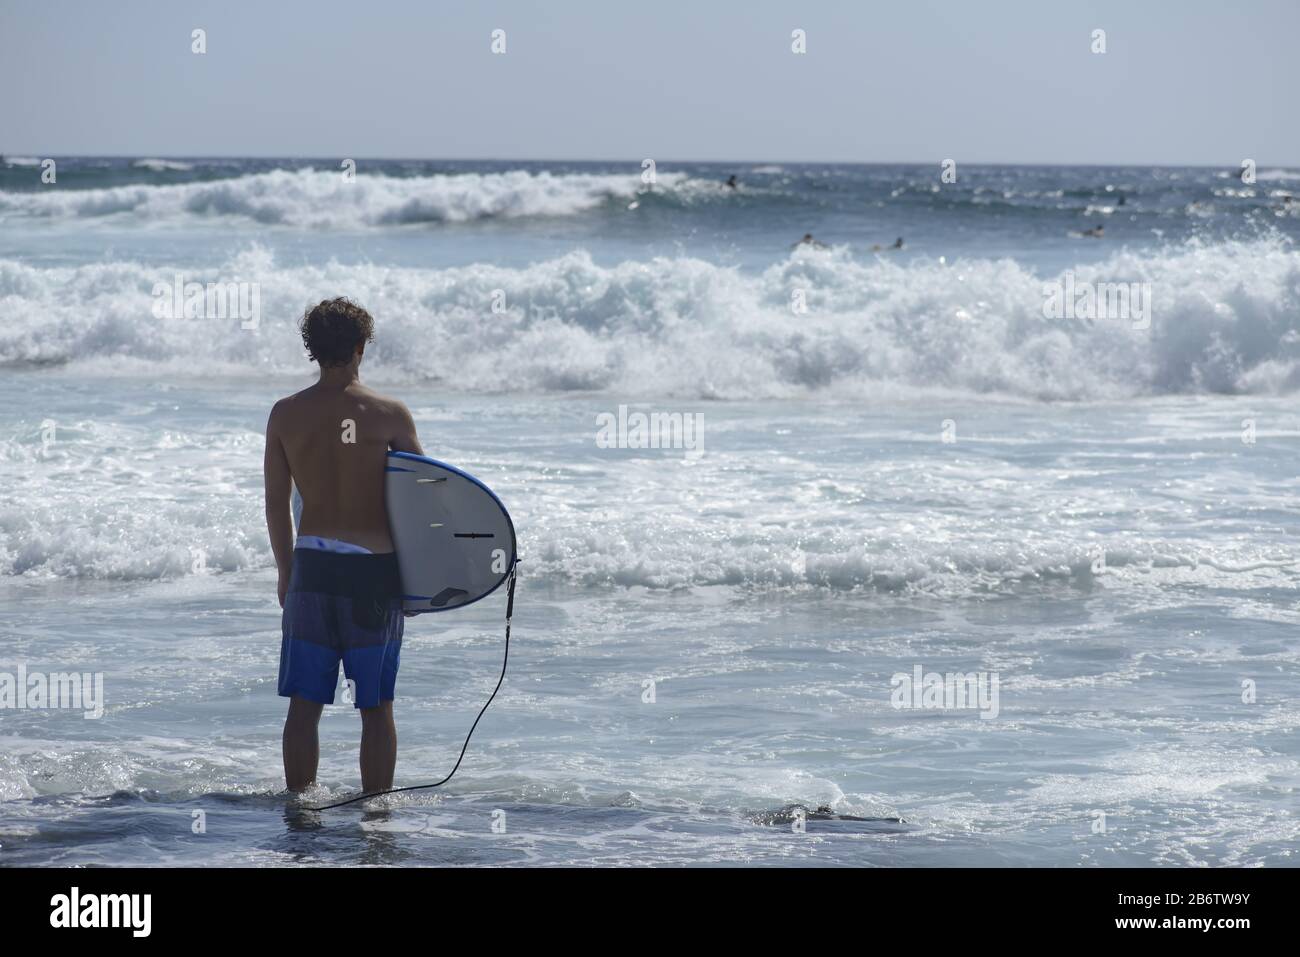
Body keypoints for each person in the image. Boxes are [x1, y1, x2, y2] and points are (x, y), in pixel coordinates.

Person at [264, 297, 424, 793]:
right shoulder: (387, 414)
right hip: (371, 577)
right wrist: (420, 582)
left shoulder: (286, 414)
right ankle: (376, 816)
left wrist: (286, 571)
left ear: (312, 349)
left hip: (311, 570)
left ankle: (300, 810)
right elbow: (424, 503)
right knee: (375, 707)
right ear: (360, 346)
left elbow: (274, 506)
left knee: (304, 707)